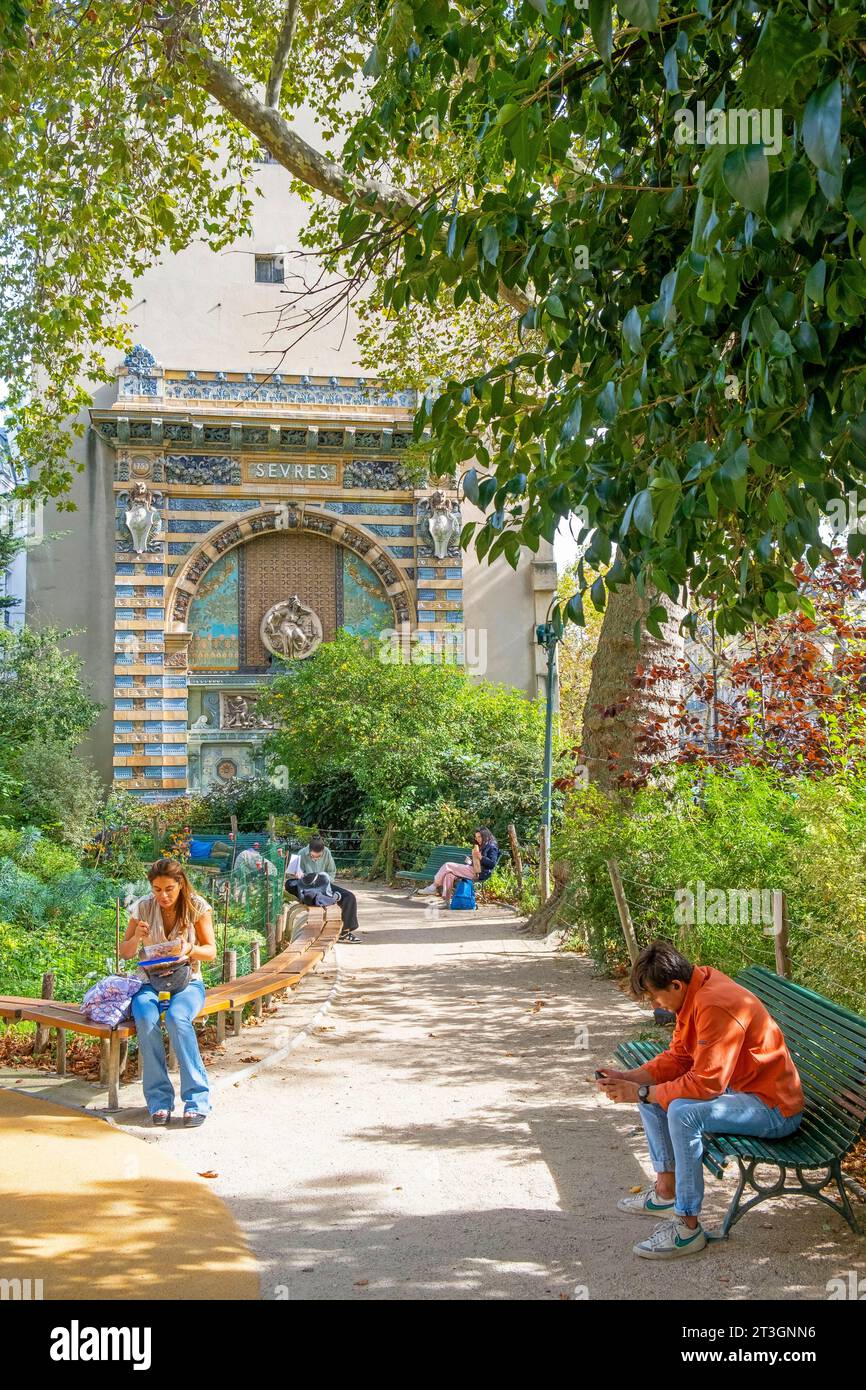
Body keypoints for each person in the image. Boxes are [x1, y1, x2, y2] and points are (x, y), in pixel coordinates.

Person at [597, 940, 804, 1259]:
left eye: (655, 995)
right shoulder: (693, 991)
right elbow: (679, 1059)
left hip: (773, 1108)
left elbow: (707, 1084)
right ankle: (665, 1192)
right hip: (740, 1094)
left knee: (682, 1111)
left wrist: (640, 1092)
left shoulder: (714, 1004)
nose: (656, 1004)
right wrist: (632, 1078)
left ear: (676, 984)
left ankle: (687, 1228)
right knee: (661, 1094)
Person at [120, 858, 216, 1127]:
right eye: (156, 889)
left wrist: (189, 950)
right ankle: (159, 1101)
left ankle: (197, 1100)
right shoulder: (142, 907)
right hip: (149, 982)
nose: (162, 896)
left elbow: (210, 951)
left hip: (187, 981)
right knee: (146, 1019)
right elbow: (125, 953)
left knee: (176, 1018)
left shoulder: (196, 906)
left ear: (180, 884)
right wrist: (137, 936)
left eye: (169, 889)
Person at [285, 835, 361, 943]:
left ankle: (344, 933)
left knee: (350, 897)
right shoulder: (301, 853)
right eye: (313, 857)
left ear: (323, 850)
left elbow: (332, 872)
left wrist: (324, 878)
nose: (316, 859)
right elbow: (291, 874)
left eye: (318, 857)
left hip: (322, 885)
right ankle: (329, 897)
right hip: (307, 885)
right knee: (290, 884)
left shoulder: (327, 853)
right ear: (309, 850)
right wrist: (297, 875)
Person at [419, 828, 500, 904]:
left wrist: (481, 857)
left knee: (447, 865)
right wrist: (471, 861)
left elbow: (492, 864)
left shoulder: (492, 846)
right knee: (449, 875)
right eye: (476, 837)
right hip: (473, 869)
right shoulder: (482, 845)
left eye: (479, 837)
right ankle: (446, 902)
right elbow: (478, 862)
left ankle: (434, 886)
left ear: (485, 836)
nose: (477, 839)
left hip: (479, 873)